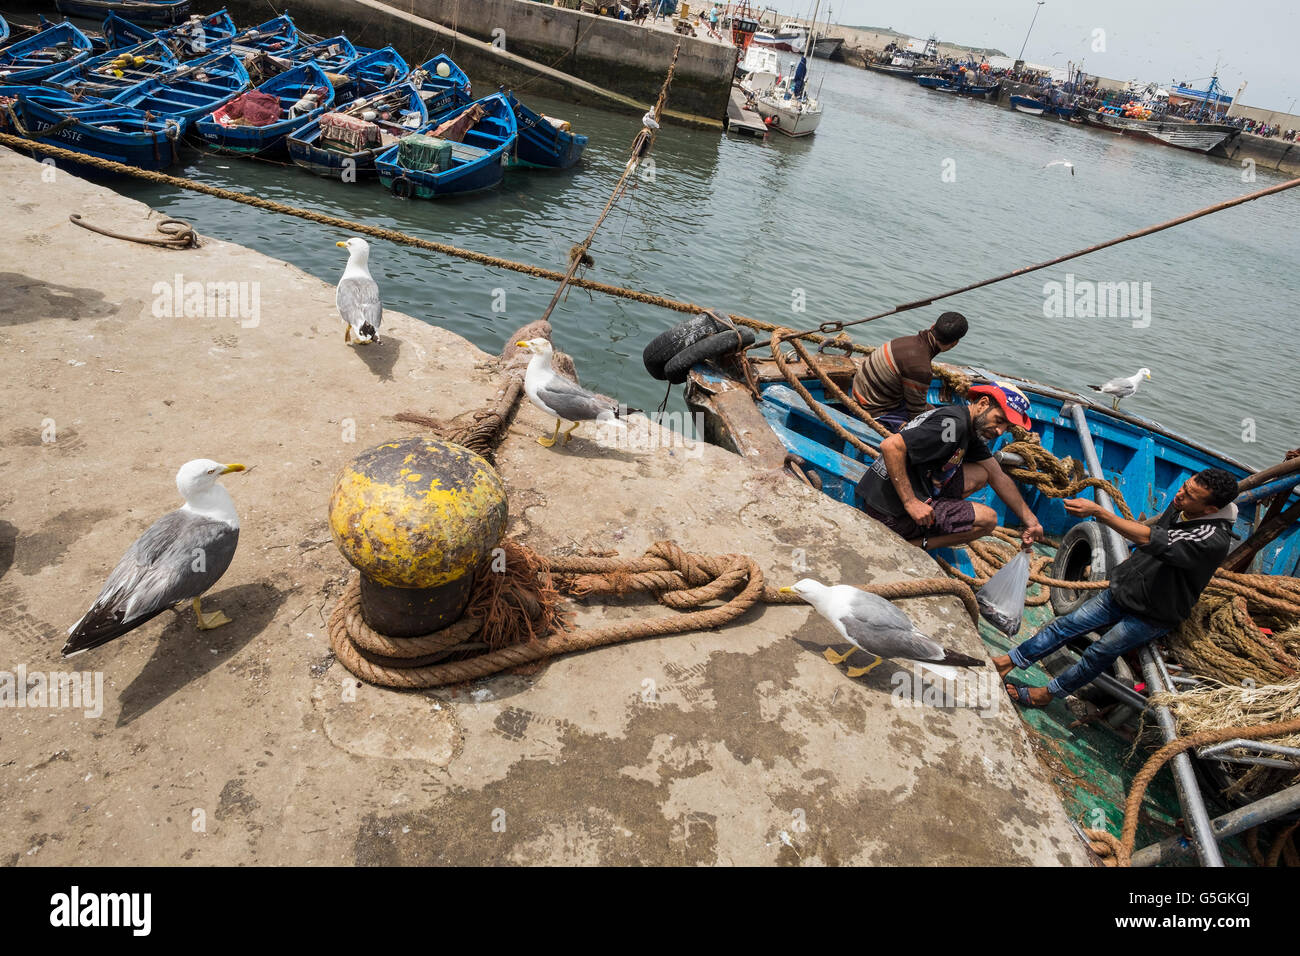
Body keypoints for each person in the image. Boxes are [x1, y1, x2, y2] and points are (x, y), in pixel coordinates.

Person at [994, 468, 1240, 708]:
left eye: (1190, 495)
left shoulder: (1211, 538)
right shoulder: (1183, 503)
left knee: (1099, 652)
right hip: (1126, 588)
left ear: (1210, 510)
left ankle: (1047, 693)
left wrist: (1101, 512)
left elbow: (1149, 539)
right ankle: (1008, 661)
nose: (1179, 495)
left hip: (1153, 613)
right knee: (1064, 626)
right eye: (1185, 485)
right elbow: (1156, 534)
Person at [856, 382, 1045, 551]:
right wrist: (911, 502)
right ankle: (916, 546)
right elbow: (891, 446)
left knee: (981, 473)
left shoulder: (968, 426)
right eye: (999, 420)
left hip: (899, 491)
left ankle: (934, 513)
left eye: (1007, 427)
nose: (1000, 431)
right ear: (983, 404)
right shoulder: (953, 427)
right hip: (891, 513)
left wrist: (1032, 521)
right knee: (988, 520)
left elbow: (997, 475)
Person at [852, 311, 968, 432]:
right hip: (873, 409)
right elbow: (916, 416)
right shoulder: (921, 369)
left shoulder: (907, 341)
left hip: (862, 392)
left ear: (933, 326)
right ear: (954, 343)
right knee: (943, 431)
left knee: (938, 415)